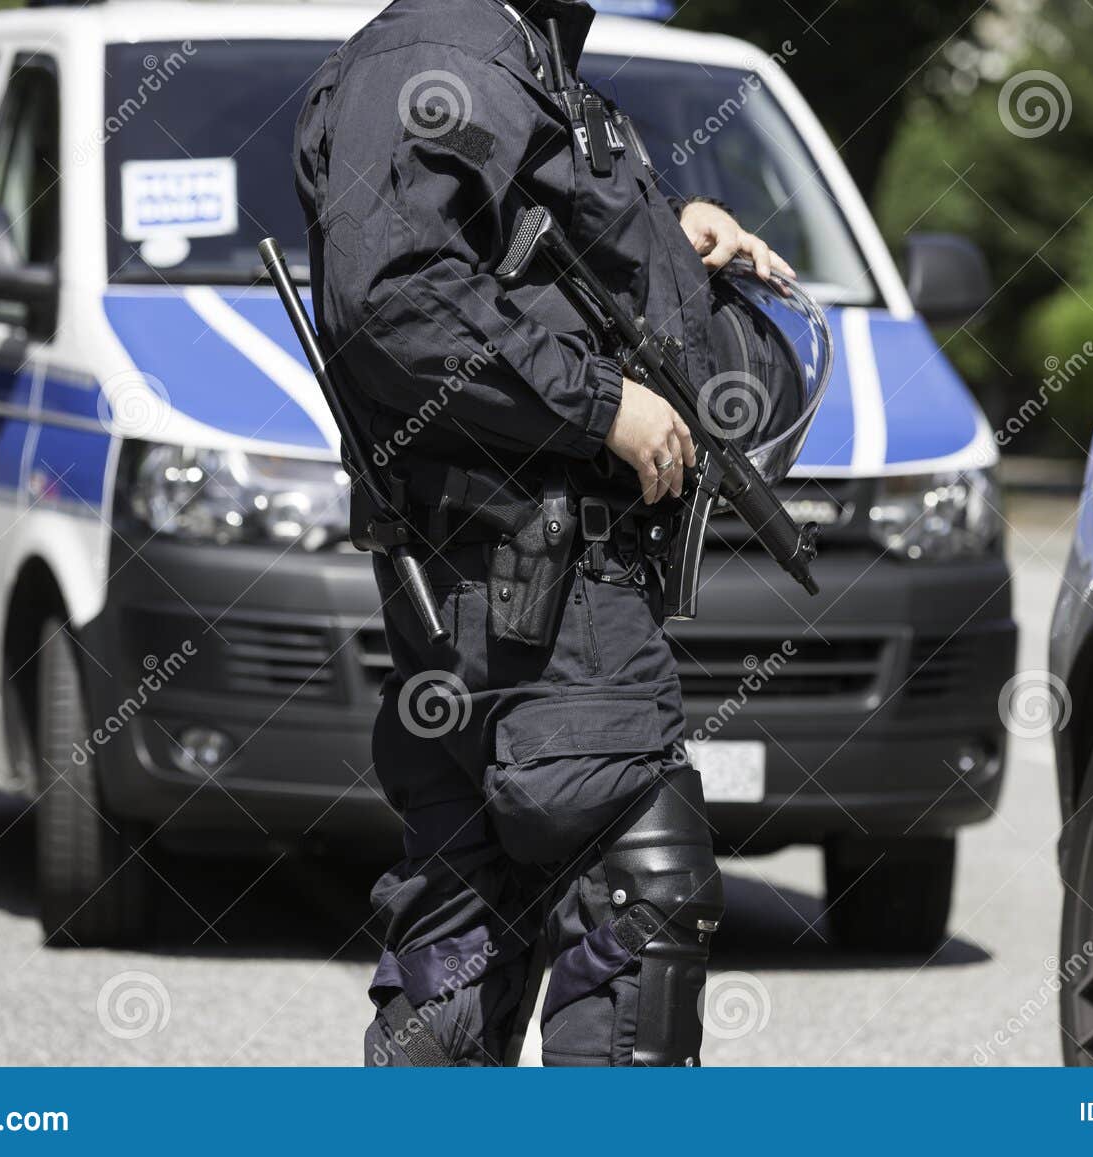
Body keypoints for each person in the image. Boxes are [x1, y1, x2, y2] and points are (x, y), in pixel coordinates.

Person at [293, 0, 793, 1066]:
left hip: (527, 575)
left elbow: (511, 264)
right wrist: (602, 403)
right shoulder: (438, 50)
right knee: (640, 894)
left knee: (465, 939)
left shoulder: (522, 49)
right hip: (531, 578)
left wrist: (672, 240)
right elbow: (392, 299)